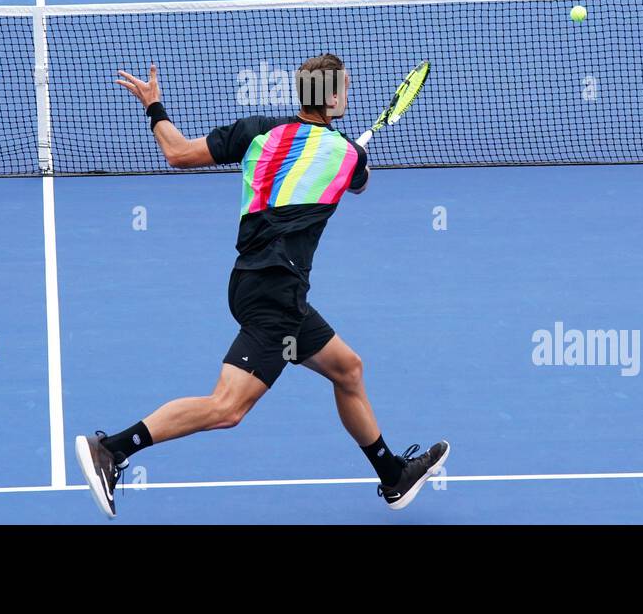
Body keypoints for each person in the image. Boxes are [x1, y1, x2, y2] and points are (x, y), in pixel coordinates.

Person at [73, 54, 449, 518]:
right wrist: (354, 157)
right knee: (228, 407)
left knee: (347, 369)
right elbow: (361, 184)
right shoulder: (349, 155)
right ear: (332, 98)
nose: (348, 94)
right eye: (345, 87)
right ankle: (112, 449)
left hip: (253, 283)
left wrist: (155, 106)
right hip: (277, 295)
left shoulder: (258, 132)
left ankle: (393, 477)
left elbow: (177, 153)